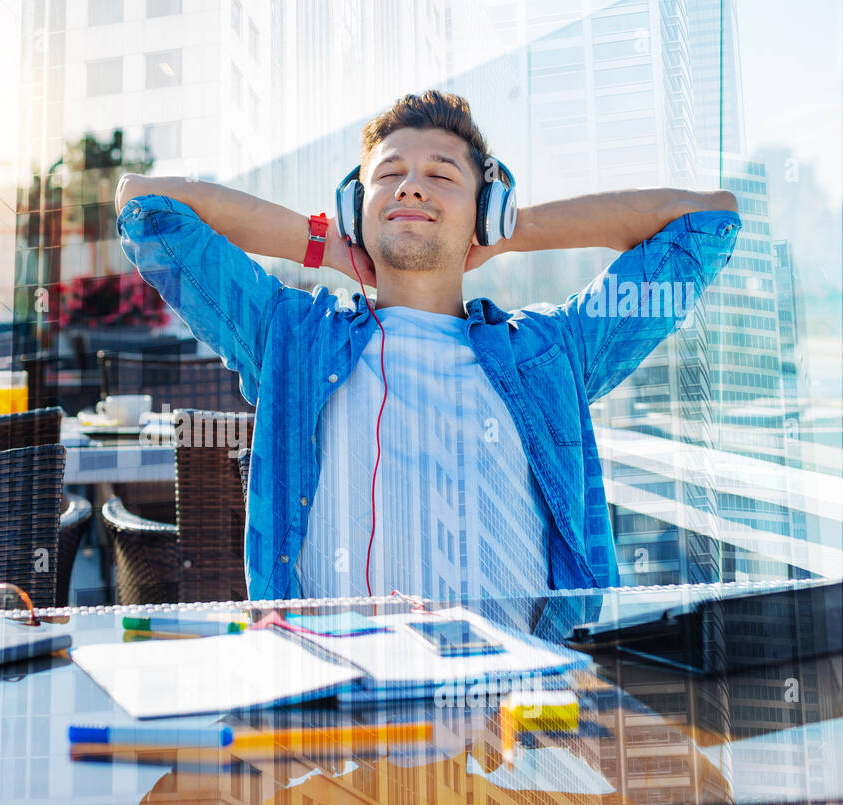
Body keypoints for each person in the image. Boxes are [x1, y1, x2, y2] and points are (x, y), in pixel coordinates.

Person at [114, 89, 740, 621]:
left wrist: (509, 232)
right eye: (388, 175)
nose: (411, 187)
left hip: (522, 722)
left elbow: (707, 222)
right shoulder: (291, 337)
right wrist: (324, 246)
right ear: (353, 209)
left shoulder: (554, 353)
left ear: (487, 210)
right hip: (335, 714)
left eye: (442, 175)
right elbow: (147, 206)